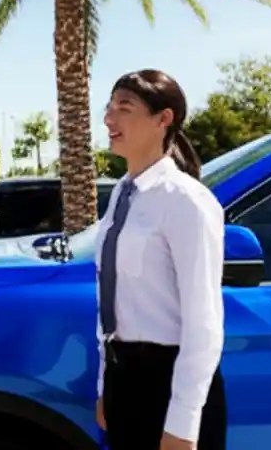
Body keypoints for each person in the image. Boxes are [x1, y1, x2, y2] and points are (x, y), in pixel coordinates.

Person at [94, 69, 227, 450]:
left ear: (163, 119)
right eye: (109, 107)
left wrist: (183, 423)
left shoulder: (186, 200)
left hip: (168, 383)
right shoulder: (122, 194)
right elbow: (111, 300)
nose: (109, 118)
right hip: (126, 380)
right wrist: (107, 385)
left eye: (125, 107)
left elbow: (204, 323)